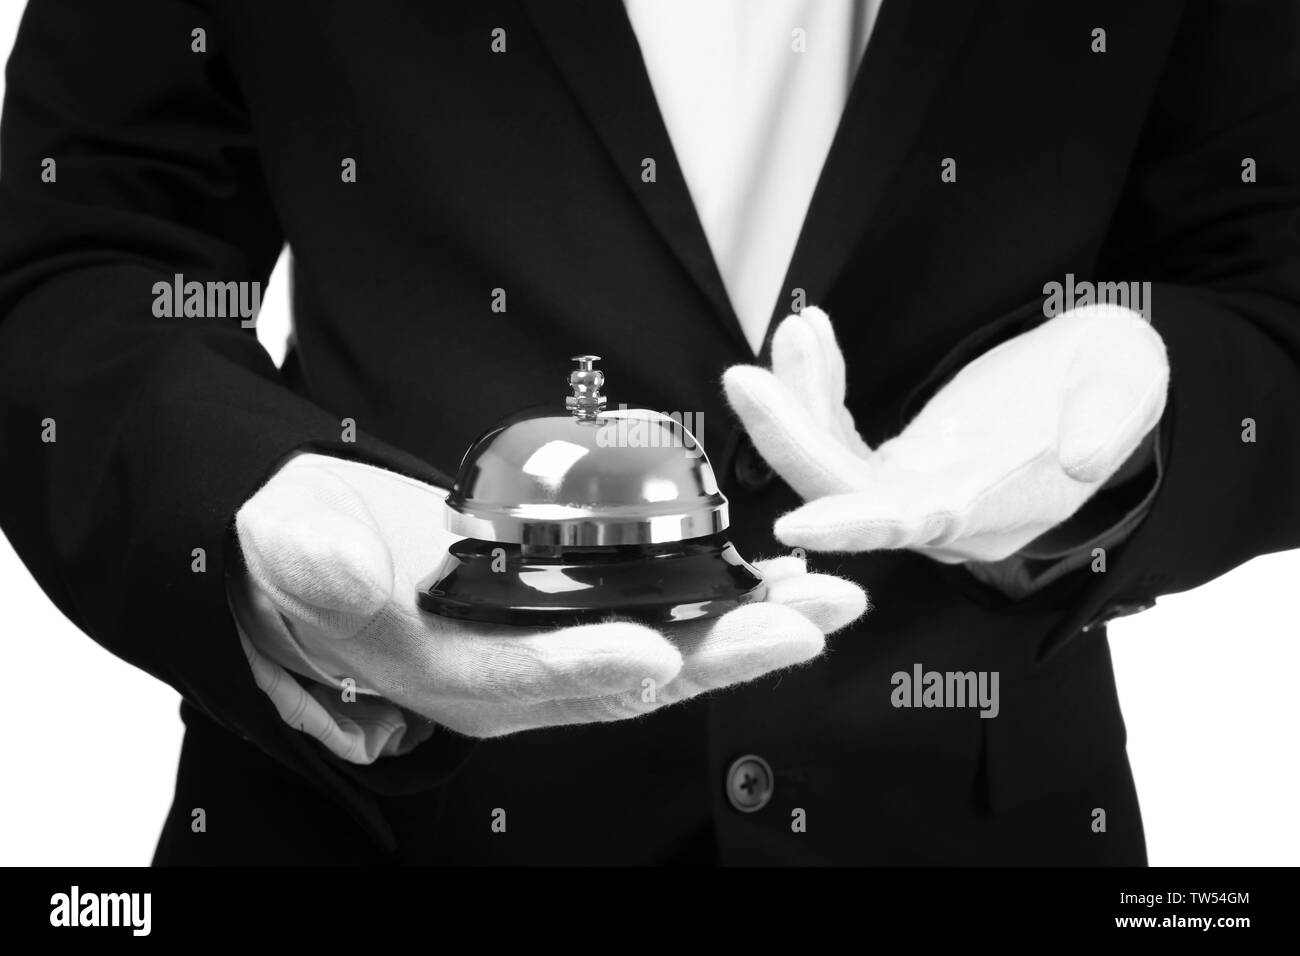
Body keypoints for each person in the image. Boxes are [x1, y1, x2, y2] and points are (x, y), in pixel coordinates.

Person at [1, 0, 1297, 866]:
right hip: (368, 836)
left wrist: (1141, 391)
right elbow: (81, 258)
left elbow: (1272, 273)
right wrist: (252, 505)